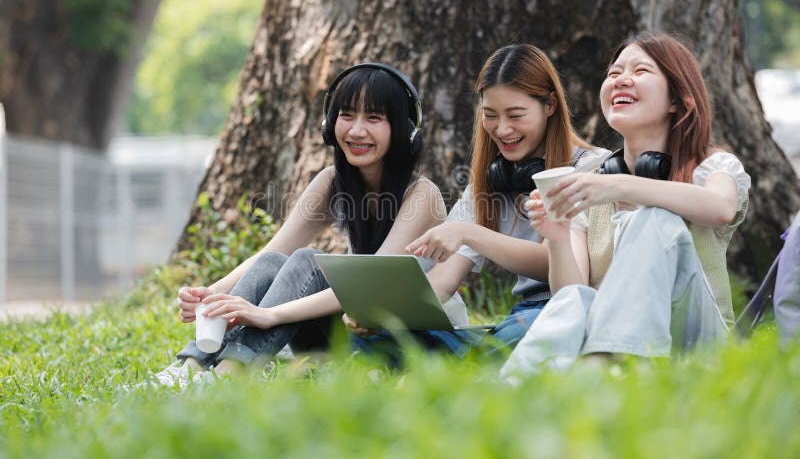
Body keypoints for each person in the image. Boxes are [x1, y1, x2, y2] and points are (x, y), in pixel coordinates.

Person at [156, 63, 464, 386]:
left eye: (374, 118)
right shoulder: (333, 182)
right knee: (273, 261)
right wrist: (211, 294)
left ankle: (228, 375)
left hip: (418, 343)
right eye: (346, 115)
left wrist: (270, 314)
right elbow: (271, 253)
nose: (357, 130)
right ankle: (189, 366)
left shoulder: (422, 195)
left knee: (307, 261)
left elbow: (371, 286)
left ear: (404, 129)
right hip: (354, 335)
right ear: (329, 124)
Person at [502, 31, 752, 380]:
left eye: (641, 71)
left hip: (697, 348)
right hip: (609, 337)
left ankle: (596, 376)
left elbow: (720, 207)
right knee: (575, 300)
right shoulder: (591, 180)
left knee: (654, 220)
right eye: (614, 73)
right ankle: (513, 390)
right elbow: (569, 292)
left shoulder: (713, 166)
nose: (621, 80)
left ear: (677, 101)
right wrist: (557, 239)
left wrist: (615, 185)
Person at [346, 44, 608, 357]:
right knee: (374, 338)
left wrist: (472, 234)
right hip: (519, 319)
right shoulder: (487, 183)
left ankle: (478, 364)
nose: (503, 129)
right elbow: (444, 279)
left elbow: (556, 263)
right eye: (491, 115)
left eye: (515, 115)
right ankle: (481, 362)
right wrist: (387, 314)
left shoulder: (591, 168)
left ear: (550, 105)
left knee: (518, 334)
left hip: (567, 312)